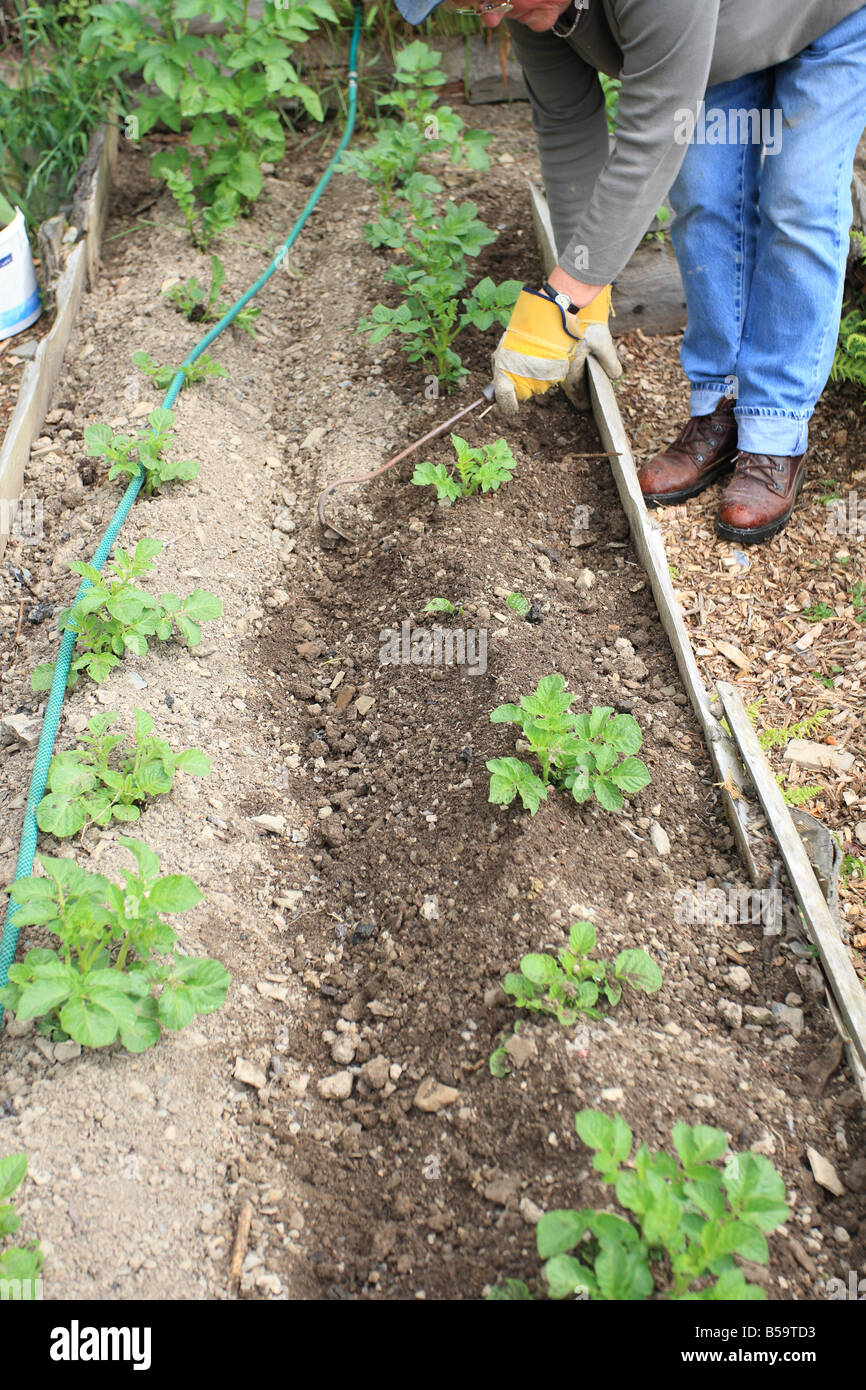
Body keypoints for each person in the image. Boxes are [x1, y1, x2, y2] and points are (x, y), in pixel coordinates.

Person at [392, 0, 866, 544]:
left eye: (493, 2)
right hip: (726, 34)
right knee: (703, 196)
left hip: (827, 18)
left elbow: (652, 133)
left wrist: (560, 301)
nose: (493, 20)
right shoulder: (526, 8)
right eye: (474, 8)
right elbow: (567, 122)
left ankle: (775, 430)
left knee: (796, 202)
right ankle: (720, 403)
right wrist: (584, 296)